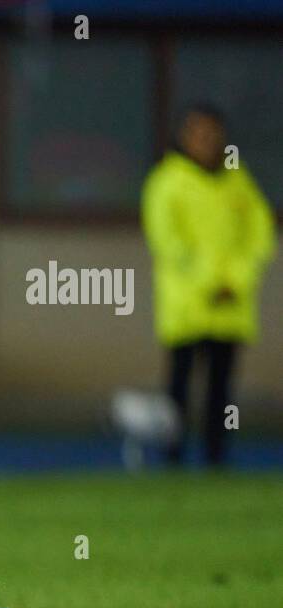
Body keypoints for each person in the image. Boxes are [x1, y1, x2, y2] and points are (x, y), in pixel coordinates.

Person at [141, 103, 276, 467]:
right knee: (179, 389)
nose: (207, 140)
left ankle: (217, 459)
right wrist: (209, 282)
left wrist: (236, 279)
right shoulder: (167, 181)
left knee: (222, 390)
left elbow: (260, 233)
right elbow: (167, 241)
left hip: (229, 306)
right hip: (187, 306)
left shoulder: (237, 179)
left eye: (213, 133)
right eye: (198, 133)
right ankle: (172, 458)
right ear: (184, 136)